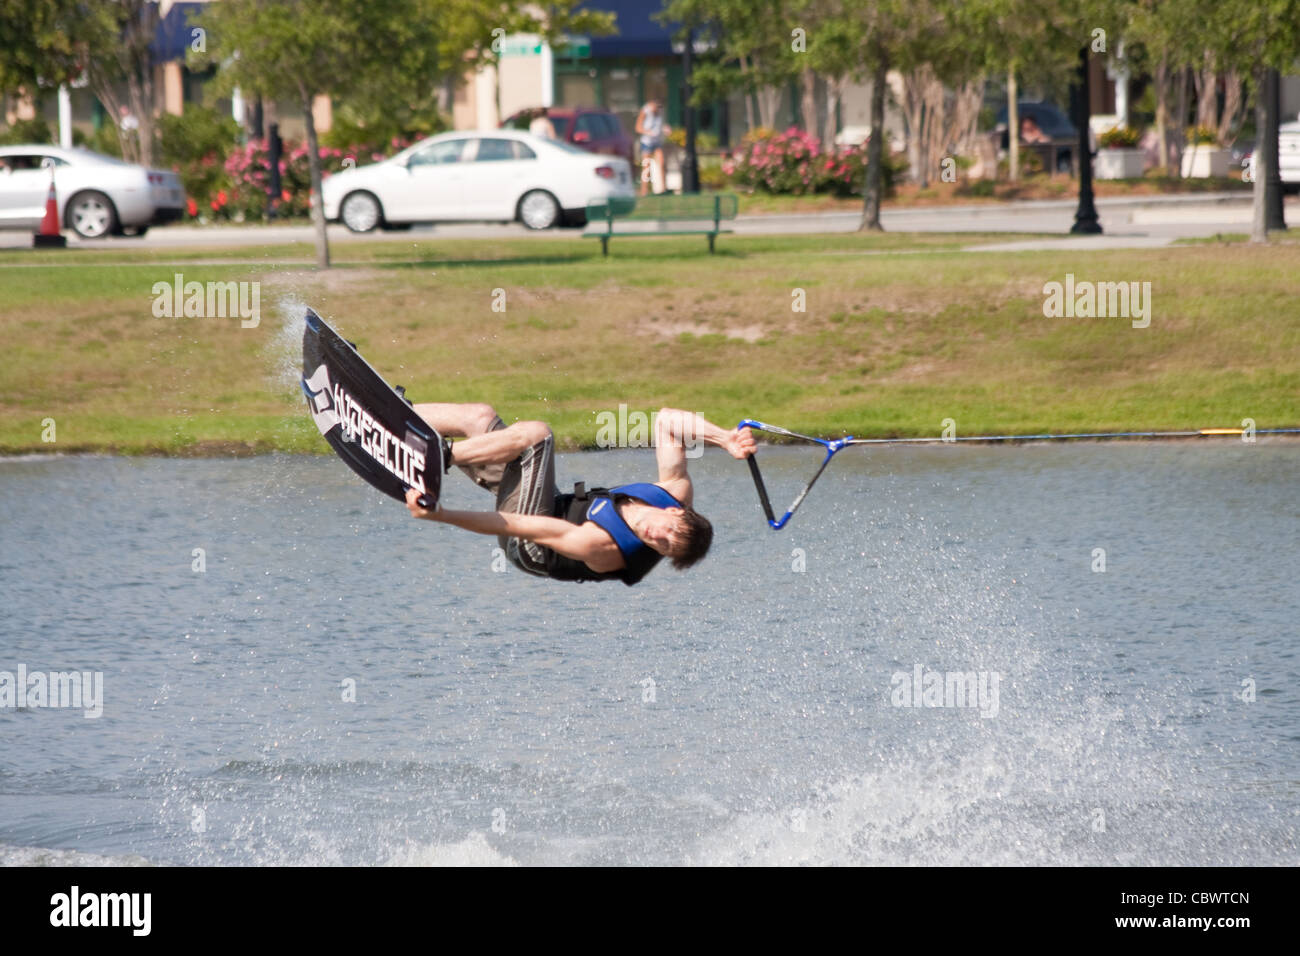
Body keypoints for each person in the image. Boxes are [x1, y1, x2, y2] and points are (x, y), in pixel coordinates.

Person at [403, 404, 756, 585]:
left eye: (662, 547)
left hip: (530, 545)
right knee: (480, 419)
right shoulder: (673, 492)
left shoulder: (602, 546)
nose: (656, 537)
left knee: (536, 437)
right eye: (669, 533)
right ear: (678, 512)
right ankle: (400, 418)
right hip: (548, 504)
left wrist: (442, 515)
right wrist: (723, 438)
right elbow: (667, 421)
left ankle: (435, 456)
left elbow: (515, 524)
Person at [635, 99, 670, 195]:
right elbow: (637, 128)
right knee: (646, 166)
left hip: (657, 142)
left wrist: (665, 129)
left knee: (662, 163)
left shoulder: (660, 111)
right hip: (647, 142)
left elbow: (660, 126)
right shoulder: (645, 111)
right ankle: (644, 190)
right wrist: (648, 132)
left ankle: (663, 189)